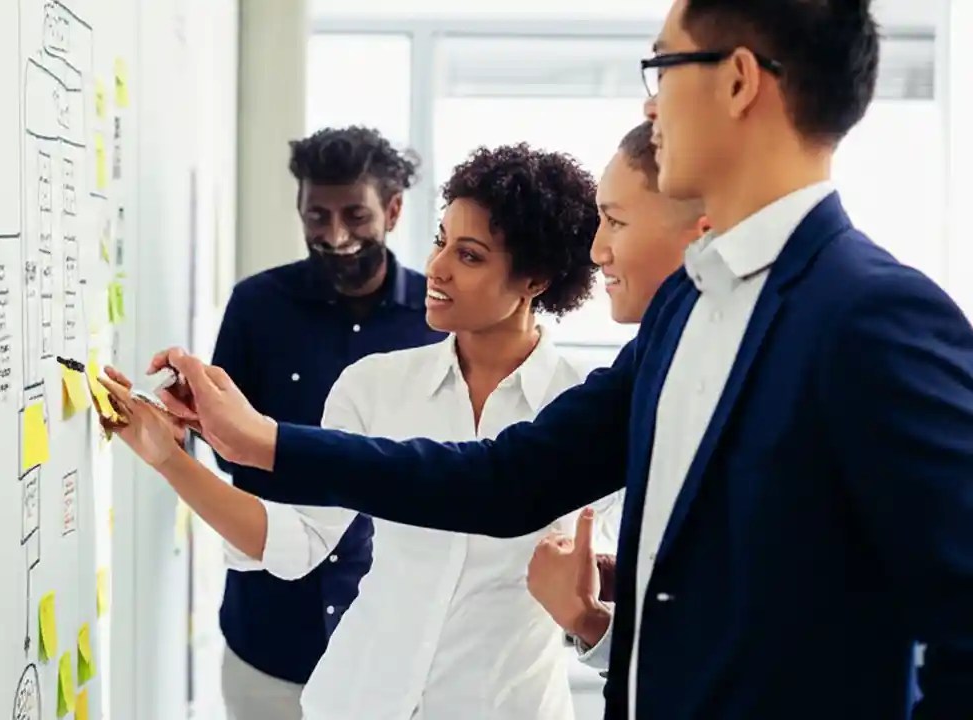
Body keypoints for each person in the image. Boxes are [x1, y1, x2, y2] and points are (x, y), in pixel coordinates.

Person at [134, 1, 973, 718]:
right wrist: (262, 442)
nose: (651, 108)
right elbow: (504, 481)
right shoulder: (685, 309)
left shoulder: (876, 317)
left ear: (740, 80)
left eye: (662, 67)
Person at [98, 144, 615, 719]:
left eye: (469, 256)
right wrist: (169, 459)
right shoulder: (373, 386)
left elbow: (630, 580)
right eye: (441, 240)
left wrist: (586, 607)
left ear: (535, 280)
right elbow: (295, 543)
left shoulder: (586, 413)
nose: (437, 267)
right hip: (360, 701)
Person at [202, 126, 445, 720]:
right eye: (318, 216)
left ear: (392, 210)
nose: (335, 235)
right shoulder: (255, 306)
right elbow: (226, 448)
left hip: (395, 646)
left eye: (355, 215)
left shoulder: (438, 320)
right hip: (270, 634)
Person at [525, 120, 706, 669]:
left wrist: (587, 617)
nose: (597, 249)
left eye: (615, 221)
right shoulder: (659, 353)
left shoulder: (843, 326)